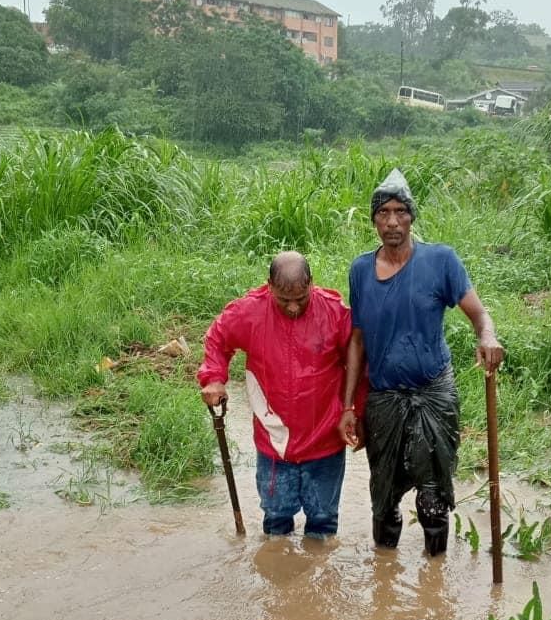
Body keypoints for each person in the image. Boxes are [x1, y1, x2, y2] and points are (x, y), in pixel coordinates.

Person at [339, 169, 503, 556]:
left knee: (432, 500)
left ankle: (435, 579)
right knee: (383, 499)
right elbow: (357, 340)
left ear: (412, 216)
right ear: (373, 219)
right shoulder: (361, 270)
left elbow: (479, 314)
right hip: (384, 398)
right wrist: (348, 406)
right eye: (383, 213)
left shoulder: (440, 260)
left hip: (433, 393)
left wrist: (488, 336)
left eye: (400, 212)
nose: (392, 221)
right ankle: (385, 576)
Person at [198, 251, 359, 539]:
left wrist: (354, 410)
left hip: (324, 439)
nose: (294, 307)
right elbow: (218, 337)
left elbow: (359, 360)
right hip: (275, 441)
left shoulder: (334, 312)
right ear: (269, 286)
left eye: (301, 298)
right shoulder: (249, 312)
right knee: (276, 521)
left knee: (323, 522)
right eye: (285, 300)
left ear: (312, 284)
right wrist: (213, 378)